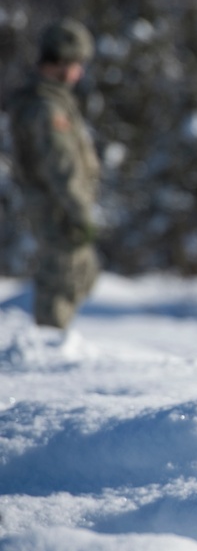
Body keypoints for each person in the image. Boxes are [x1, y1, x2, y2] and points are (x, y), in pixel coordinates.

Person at [7, 18, 101, 330]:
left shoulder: (43, 100)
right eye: (77, 64)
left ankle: (51, 342)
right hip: (58, 208)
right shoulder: (47, 108)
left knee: (77, 274)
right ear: (61, 62)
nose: (80, 72)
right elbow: (62, 166)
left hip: (55, 205)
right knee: (61, 280)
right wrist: (80, 211)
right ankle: (50, 348)